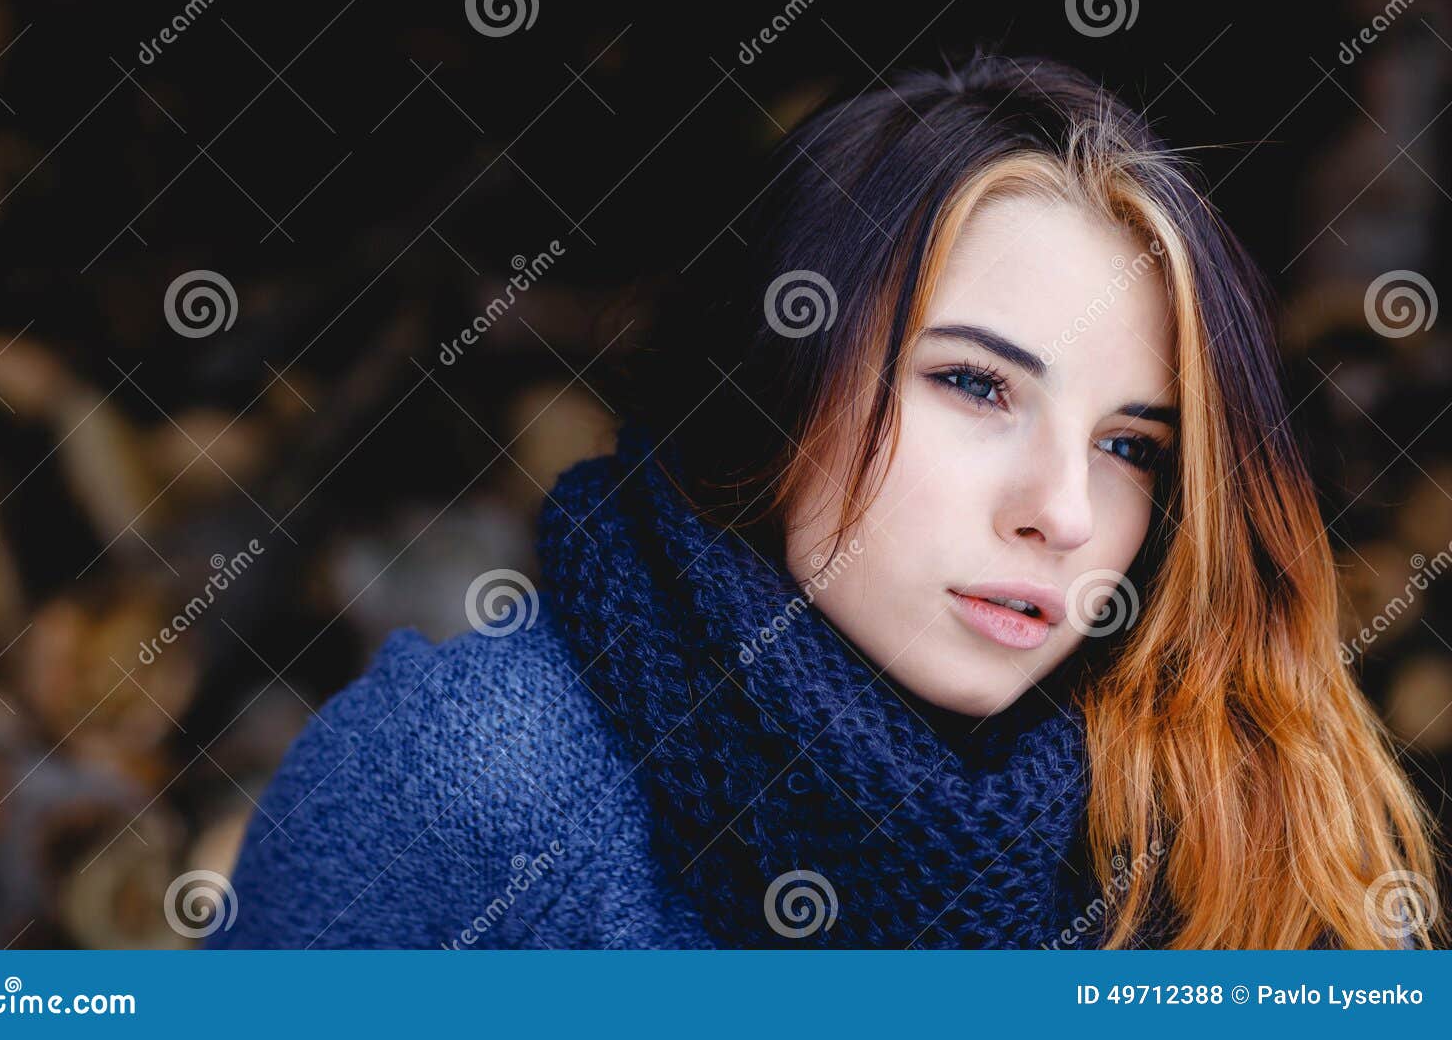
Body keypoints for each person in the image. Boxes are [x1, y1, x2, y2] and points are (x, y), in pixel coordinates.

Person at [207, 53, 1441, 949]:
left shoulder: (1198, 822)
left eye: (1130, 446)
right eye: (973, 383)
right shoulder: (470, 779)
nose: (1063, 511)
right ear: (780, 384)